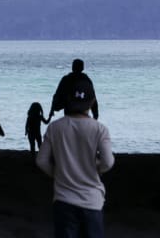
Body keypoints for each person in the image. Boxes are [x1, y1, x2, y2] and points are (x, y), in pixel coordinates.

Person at [35, 74, 114, 237]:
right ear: (92, 102)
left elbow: (41, 161)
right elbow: (108, 162)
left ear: (68, 101)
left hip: (63, 200)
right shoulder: (100, 129)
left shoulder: (55, 128)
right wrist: (97, 168)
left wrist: (58, 173)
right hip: (92, 201)